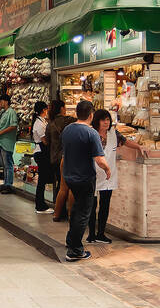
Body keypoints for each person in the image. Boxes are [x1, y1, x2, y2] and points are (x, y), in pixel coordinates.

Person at [61, 100, 111, 260]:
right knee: (83, 213)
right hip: (84, 177)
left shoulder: (67, 130)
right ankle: (75, 251)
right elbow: (99, 159)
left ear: (76, 113)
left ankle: (71, 240)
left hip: (69, 175)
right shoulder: (91, 133)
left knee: (76, 209)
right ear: (91, 115)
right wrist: (107, 168)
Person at [88, 108, 146, 245]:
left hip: (109, 175)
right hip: (92, 173)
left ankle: (100, 233)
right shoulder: (91, 134)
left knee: (105, 205)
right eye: (103, 120)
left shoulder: (114, 134)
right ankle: (91, 234)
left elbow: (126, 142)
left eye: (108, 119)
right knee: (91, 205)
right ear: (97, 121)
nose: (106, 122)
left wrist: (139, 147)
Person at [46, 97, 73, 219]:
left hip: (54, 157)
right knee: (68, 186)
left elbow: (47, 141)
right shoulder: (68, 120)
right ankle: (66, 212)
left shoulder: (50, 123)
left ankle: (58, 212)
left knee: (60, 185)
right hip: (66, 157)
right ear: (62, 108)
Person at [0, 92, 19, 194]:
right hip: (0, 141)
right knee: (4, 164)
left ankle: (9, 185)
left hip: (6, 141)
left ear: (5, 101)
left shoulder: (11, 112)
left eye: (0, 101)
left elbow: (13, 126)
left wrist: (1, 132)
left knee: (8, 163)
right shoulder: (3, 112)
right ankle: (5, 183)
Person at [32, 101, 53, 214]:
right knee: (42, 180)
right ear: (44, 110)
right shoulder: (39, 124)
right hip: (41, 152)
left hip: (41, 152)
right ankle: (40, 205)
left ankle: (41, 204)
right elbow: (44, 141)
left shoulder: (41, 121)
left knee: (42, 180)